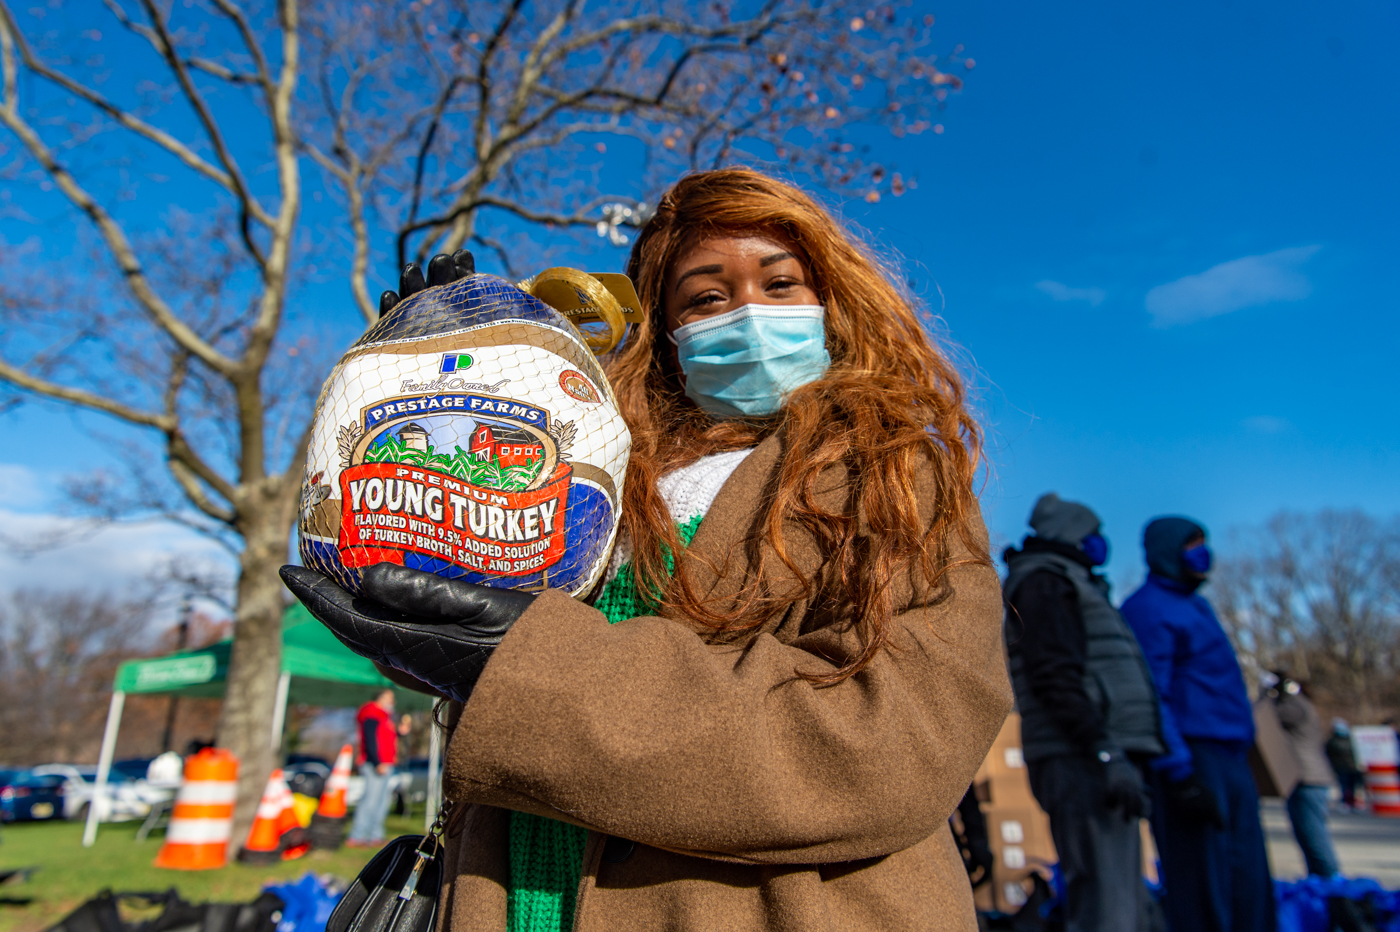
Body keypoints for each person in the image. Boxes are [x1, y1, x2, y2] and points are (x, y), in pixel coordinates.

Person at [283, 168, 1011, 931]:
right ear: (662, 332)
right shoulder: (590, 475)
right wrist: (429, 407)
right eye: (706, 297)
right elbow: (447, 625)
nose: (749, 316)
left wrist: (535, 673)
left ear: (831, 304)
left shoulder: (897, 474)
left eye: (780, 284)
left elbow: (887, 745)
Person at [1003, 493, 1163, 932]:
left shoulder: (1070, 581)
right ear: (1071, 535)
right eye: (1092, 534)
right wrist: (1103, 749)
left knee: (1121, 892)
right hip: (1080, 755)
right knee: (1105, 898)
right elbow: (1055, 677)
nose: (1099, 543)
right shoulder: (1045, 583)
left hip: (1094, 752)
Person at [1120, 517, 1275, 932]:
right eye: (1193, 545)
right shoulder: (1147, 609)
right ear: (1169, 551)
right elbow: (1153, 695)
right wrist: (1179, 770)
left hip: (1230, 755)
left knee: (1247, 876)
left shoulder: (1197, 605)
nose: (1203, 553)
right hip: (1193, 758)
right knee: (1202, 880)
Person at [1263, 672, 1340, 877]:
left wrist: (1267, 694)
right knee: (1309, 838)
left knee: (1314, 839)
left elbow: (1262, 716)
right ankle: (1323, 883)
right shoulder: (1301, 704)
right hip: (1306, 780)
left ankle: (1331, 886)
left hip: (1308, 780)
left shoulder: (1295, 707)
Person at [348, 689, 409, 848]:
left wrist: (399, 733)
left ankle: (375, 835)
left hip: (386, 762)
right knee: (371, 800)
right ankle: (358, 836)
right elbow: (370, 739)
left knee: (382, 801)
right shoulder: (371, 712)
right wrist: (376, 762)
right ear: (380, 698)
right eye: (390, 698)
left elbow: (385, 737)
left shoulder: (385, 716)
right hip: (375, 764)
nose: (393, 702)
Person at [1327, 719, 1363, 810]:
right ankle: (1345, 802)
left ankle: (1353, 803)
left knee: (1353, 787)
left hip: (1353, 767)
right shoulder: (1333, 741)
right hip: (1342, 767)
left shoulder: (1352, 740)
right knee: (1345, 786)